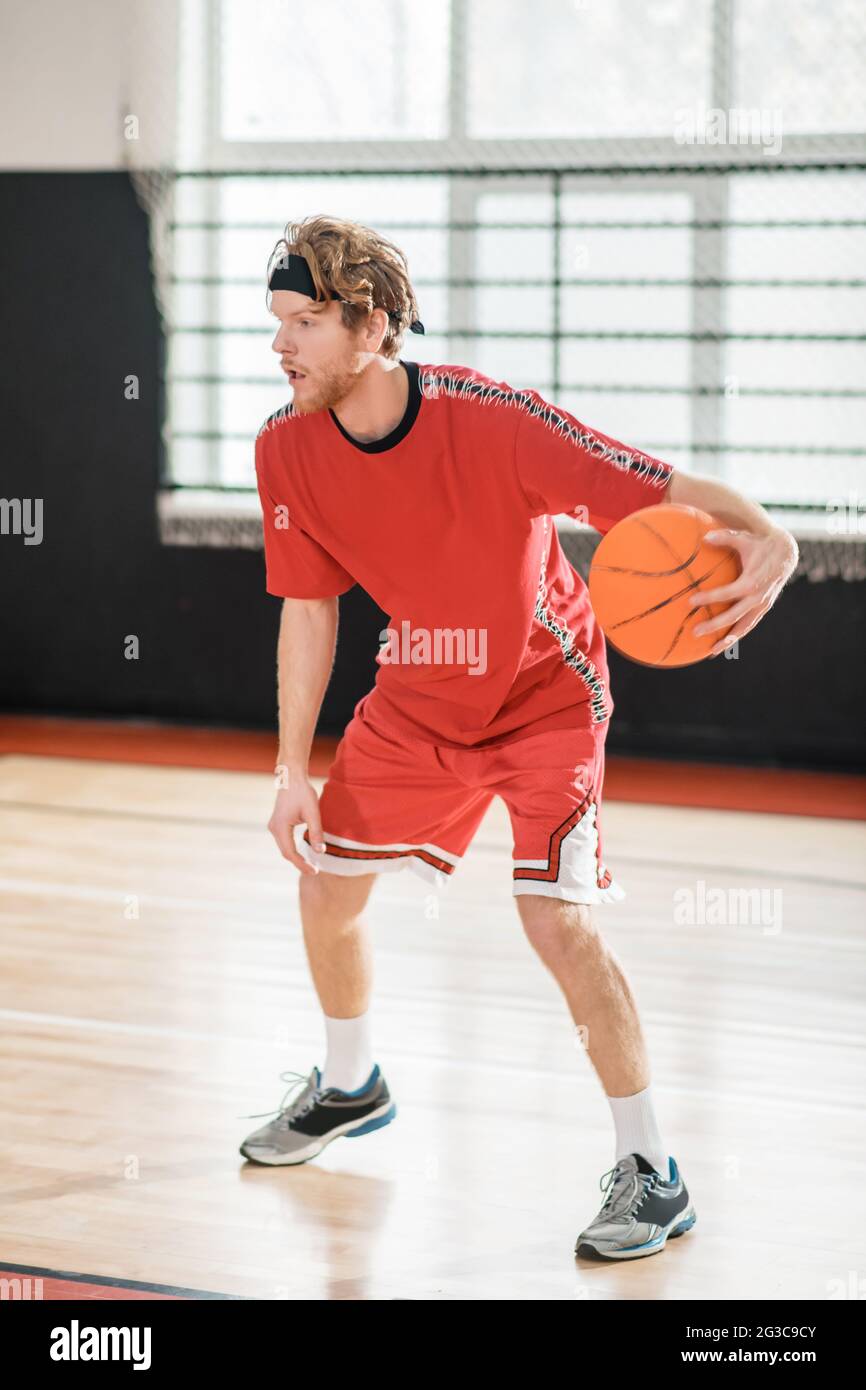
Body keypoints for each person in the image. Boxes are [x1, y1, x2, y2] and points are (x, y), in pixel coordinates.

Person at [240, 214, 798, 1261]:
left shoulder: (495, 422)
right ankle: (352, 1083)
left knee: (554, 920)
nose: (282, 345)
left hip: (545, 699)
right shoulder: (285, 449)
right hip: (417, 699)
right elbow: (308, 610)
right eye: (276, 322)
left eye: (306, 321)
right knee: (324, 887)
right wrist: (289, 771)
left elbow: (656, 484)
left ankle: (652, 1170)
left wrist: (772, 532)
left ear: (374, 326)